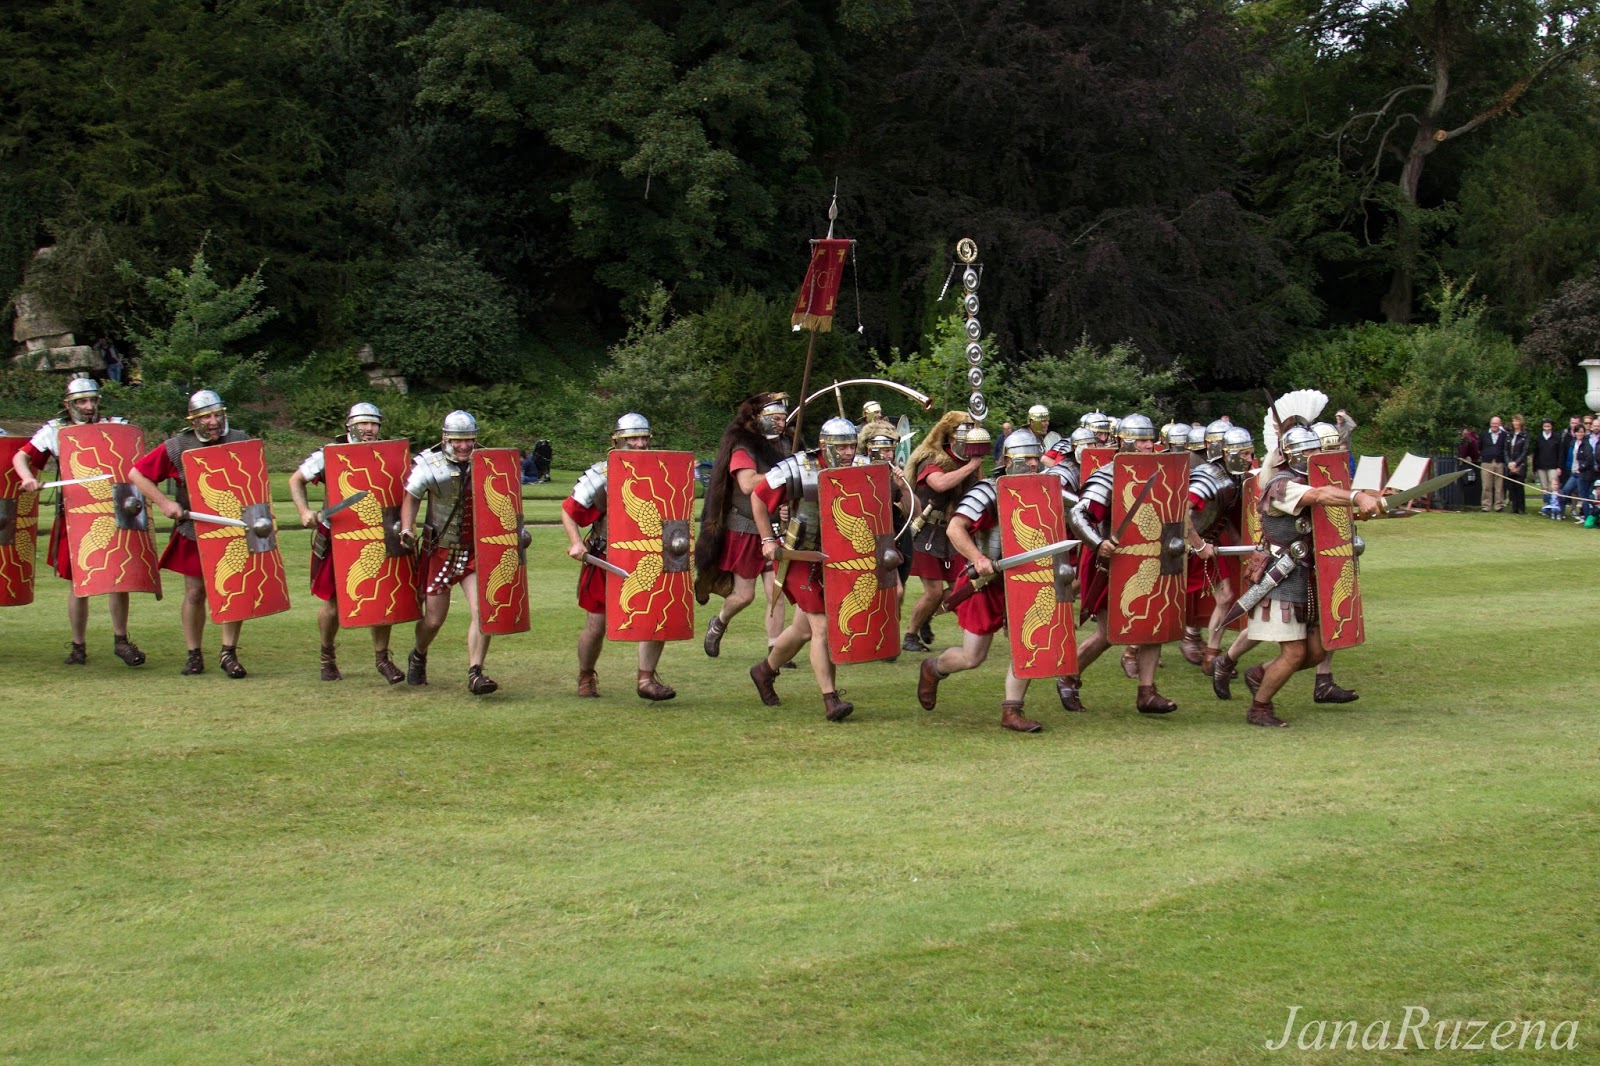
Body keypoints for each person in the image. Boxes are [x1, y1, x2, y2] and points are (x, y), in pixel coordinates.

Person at [1238, 425, 1384, 727]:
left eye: (1314, 450)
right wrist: (1356, 496)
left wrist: (1370, 503)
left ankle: (1259, 674)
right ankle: (1259, 708)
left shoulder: (1308, 479)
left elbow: (1330, 507)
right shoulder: (1281, 485)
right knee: (1293, 653)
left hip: (1308, 579)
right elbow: (1319, 496)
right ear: (1292, 455)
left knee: (1316, 652)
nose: (1313, 455)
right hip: (1281, 575)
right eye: (1308, 451)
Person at [916, 427, 1056, 732]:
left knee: (1027, 641)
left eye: (1036, 458)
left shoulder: (1045, 490)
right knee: (972, 656)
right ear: (1007, 460)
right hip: (985, 581)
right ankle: (933, 668)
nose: (1033, 464)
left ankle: (1012, 711)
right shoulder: (988, 491)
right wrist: (978, 559)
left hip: (1027, 579)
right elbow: (955, 529)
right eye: (1026, 458)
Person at [12, 377, 145, 667]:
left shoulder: (117, 427)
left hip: (114, 510)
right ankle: (78, 646)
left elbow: (136, 463)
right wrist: (28, 477)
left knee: (117, 578)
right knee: (78, 583)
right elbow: (20, 457)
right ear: (68, 404)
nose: (88, 407)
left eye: (92, 400)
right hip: (76, 515)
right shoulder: (55, 432)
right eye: (81, 402)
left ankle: (121, 641)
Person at [128, 390, 252, 677]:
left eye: (217, 415)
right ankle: (194, 654)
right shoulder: (177, 446)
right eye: (206, 416)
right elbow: (137, 474)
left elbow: (252, 481)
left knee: (232, 587)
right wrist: (165, 502)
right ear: (194, 420)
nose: (213, 421)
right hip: (195, 528)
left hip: (232, 528)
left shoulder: (241, 440)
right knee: (196, 592)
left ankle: (228, 653)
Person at [1064, 413, 1179, 715]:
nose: (1147, 445)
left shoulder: (1162, 472)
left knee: (1153, 623)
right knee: (1108, 634)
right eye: (1141, 440)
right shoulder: (1109, 474)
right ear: (1125, 442)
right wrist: (1098, 543)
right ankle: (1068, 676)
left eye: (1150, 439)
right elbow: (1079, 516)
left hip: (1152, 557)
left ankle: (1147, 692)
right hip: (1109, 561)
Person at [748, 417, 860, 721]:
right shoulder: (799, 468)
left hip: (835, 560)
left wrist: (897, 481)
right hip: (800, 557)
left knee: (801, 630)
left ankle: (764, 671)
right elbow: (758, 497)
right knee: (822, 627)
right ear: (825, 446)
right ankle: (830, 698)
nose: (849, 452)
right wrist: (768, 539)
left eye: (852, 445)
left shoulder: (861, 467)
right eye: (842, 446)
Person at [561, 413, 676, 701]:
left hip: (650, 558)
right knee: (596, 625)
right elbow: (569, 510)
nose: (639, 444)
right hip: (607, 559)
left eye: (643, 438)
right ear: (618, 441)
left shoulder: (661, 470)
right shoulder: (603, 474)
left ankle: (646, 679)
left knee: (655, 616)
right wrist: (576, 543)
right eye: (632, 439)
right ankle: (586, 674)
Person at [288, 402, 404, 684]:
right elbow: (296, 480)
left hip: (380, 535)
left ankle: (382, 659)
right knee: (335, 605)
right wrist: (304, 511)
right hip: (339, 536)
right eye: (363, 423)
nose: (369, 429)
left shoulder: (388, 454)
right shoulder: (329, 455)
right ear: (349, 426)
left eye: (374, 423)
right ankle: (327, 655)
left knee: (382, 595)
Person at [398, 410, 498, 695]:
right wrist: (407, 528)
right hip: (440, 552)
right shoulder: (430, 464)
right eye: (458, 441)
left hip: (474, 552)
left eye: (469, 440)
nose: (464, 446)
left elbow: (505, 496)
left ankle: (475, 672)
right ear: (446, 439)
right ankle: (418, 653)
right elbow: (412, 496)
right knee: (433, 620)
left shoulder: (489, 463)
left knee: (484, 611)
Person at [696, 393, 790, 663]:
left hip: (775, 529)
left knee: (777, 591)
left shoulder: (785, 446)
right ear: (760, 419)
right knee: (743, 596)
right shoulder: (742, 447)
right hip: (745, 529)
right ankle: (720, 622)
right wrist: (782, 474)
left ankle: (776, 648)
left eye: (784, 418)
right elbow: (748, 484)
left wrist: (787, 505)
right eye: (776, 418)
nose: (782, 423)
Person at [901, 412, 986, 652]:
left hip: (951, 533)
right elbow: (939, 483)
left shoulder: (964, 462)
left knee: (959, 588)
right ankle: (910, 635)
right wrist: (972, 466)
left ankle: (927, 616)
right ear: (951, 434)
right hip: (926, 532)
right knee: (934, 591)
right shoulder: (933, 458)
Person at [1559, 425, 1596, 521]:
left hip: (1582, 474)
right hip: (1574, 473)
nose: (1580, 434)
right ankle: (1560, 513)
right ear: (1575, 433)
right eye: (1578, 432)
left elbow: (1589, 460)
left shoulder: (1587, 445)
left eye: (1582, 432)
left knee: (1584, 497)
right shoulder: (1573, 443)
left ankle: (1588, 518)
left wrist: (1581, 468)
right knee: (1564, 492)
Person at [1534, 418, 1564, 518]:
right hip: (1541, 466)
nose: (1547, 428)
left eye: (1548, 426)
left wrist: (1559, 467)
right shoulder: (1539, 437)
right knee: (1544, 488)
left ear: (1551, 427)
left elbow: (1560, 453)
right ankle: (1546, 506)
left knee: (1553, 487)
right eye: (1545, 426)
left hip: (1553, 466)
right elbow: (1536, 453)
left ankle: (1555, 507)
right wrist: (1535, 467)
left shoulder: (1557, 437)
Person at [1479, 416, 1508, 512]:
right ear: (1490, 424)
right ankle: (1486, 506)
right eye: (1493, 423)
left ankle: (1498, 506)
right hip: (1487, 463)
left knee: (1499, 486)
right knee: (1486, 485)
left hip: (1499, 463)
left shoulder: (1504, 435)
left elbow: (1506, 449)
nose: (1494, 425)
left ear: (1500, 424)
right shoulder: (1484, 434)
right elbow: (1480, 447)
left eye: (1496, 423)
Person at [1506, 415, 1529, 515]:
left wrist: (1516, 463)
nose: (1515, 423)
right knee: (1511, 487)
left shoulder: (1525, 435)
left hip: (1520, 465)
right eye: (1514, 421)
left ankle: (1521, 508)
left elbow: (1525, 451)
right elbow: (1505, 450)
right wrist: (1509, 462)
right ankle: (1514, 507)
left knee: (1519, 486)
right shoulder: (1509, 435)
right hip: (1510, 464)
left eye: (1517, 421)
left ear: (1521, 422)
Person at [1456, 427, 1481, 510]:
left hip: (1468, 463)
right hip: (1470, 462)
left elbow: (1467, 450)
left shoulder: (1469, 439)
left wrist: (1464, 456)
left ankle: (1467, 502)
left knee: (1467, 482)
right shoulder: (1473, 438)